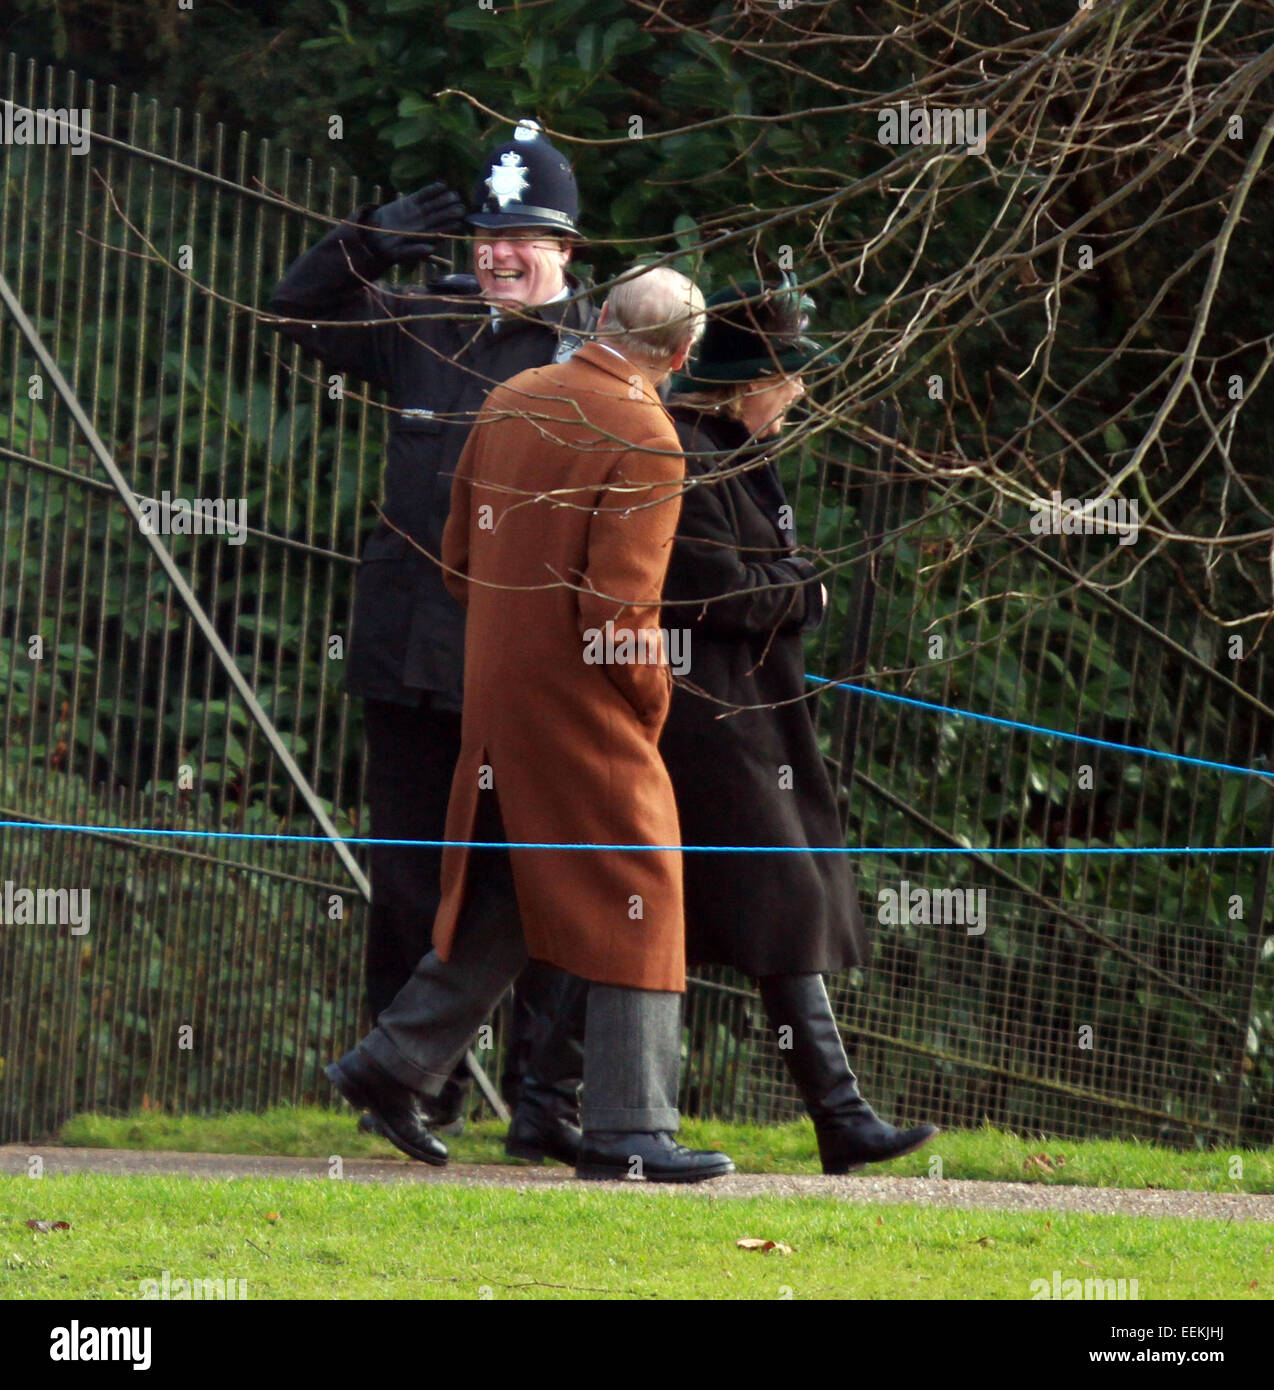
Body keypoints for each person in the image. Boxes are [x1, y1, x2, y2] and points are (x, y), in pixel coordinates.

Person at [325, 264, 736, 1182]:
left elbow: (458, 556)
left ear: (597, 318)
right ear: (679, 354)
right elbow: (617, 613)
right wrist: (651, 698)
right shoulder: (646, 432)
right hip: (580, 700)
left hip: (495, 687)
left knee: (514, 886)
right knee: (645, 886)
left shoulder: (511, 397)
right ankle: (631, 1131)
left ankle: (388, 1065)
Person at [266, 119, 590, 1159]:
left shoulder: (592, 361)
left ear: (566, 252)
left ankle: (549, 1103)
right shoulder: (427, 326)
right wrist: (367, 238)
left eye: (524, 238)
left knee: (540, 881)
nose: (499, 253)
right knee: (409, 878)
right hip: (408, 653)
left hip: (526, 669)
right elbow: (294, 310)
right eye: (490, 234)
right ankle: (408, 1089)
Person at [659, 278, 939, 1173]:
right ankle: (841, 1117)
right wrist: (806, 591)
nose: (801, 395)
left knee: (725, 910)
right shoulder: (692, 454)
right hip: (713, 719)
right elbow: (703, 590)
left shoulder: (737, 449)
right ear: (747, 383)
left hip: (754, 711)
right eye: (790, 379)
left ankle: (841, 1119)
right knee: (773, 900)